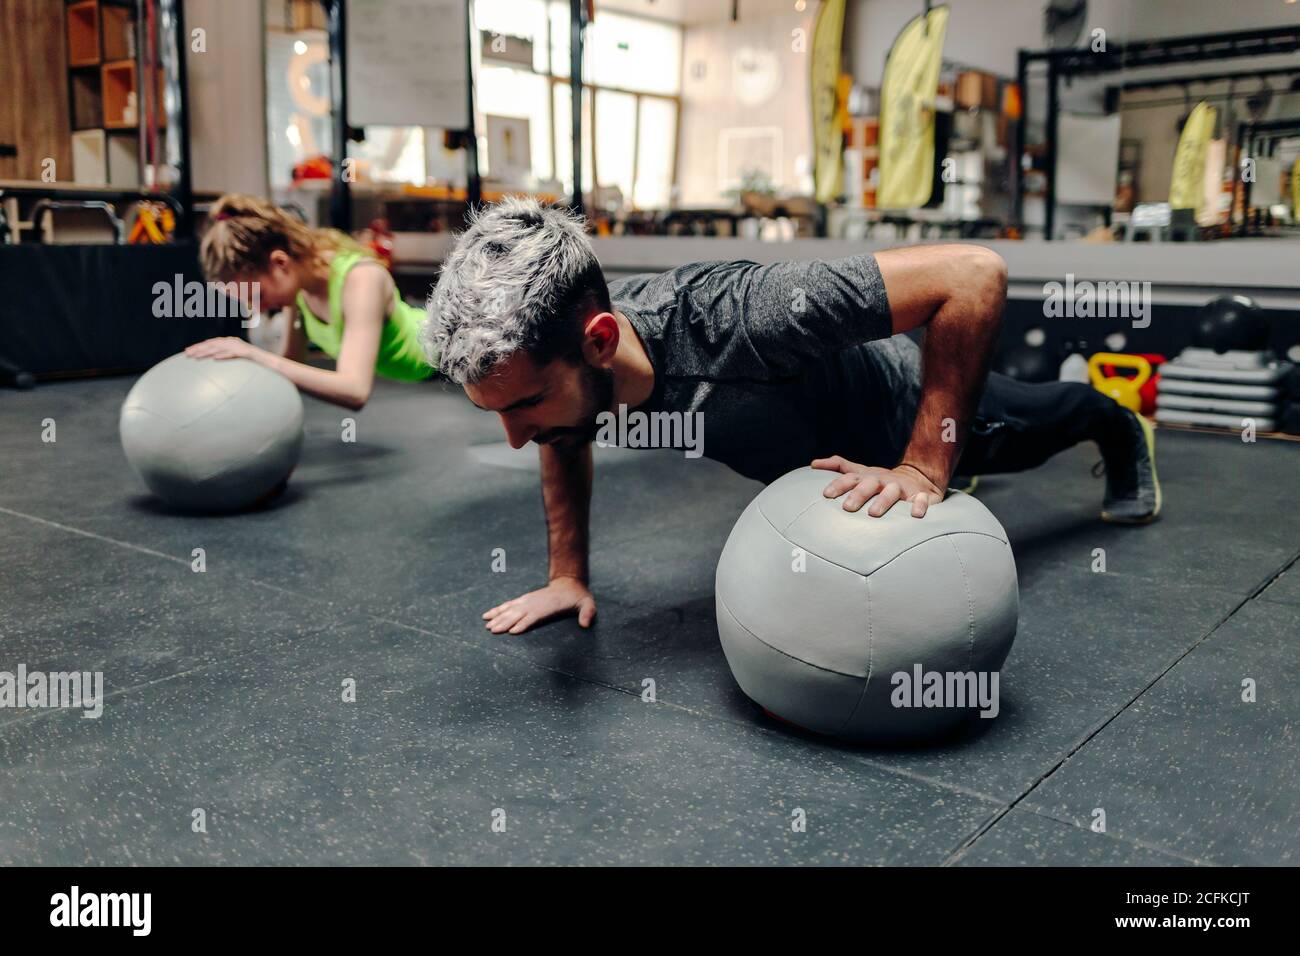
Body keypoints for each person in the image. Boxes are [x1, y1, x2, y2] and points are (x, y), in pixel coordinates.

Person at [422, 197, 1160, 635]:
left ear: (600, 343)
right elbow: (563, 427)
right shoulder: (574, 368)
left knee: (1041, 423)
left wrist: (923, 463)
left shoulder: (749, 316)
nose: (515, 438)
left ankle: (1118, 426)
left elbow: (974, 276)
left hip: (901, 410)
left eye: (522, 406)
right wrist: (565, 576)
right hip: (825, 451)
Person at [188, 194, 435, 408]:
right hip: (419, 384)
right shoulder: (299, 290)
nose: (257, 309)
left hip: (448, 363)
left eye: (257, 296)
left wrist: (254, 355)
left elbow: (354, 390)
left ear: (280, 263)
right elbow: (289, 365)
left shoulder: (361, 279)